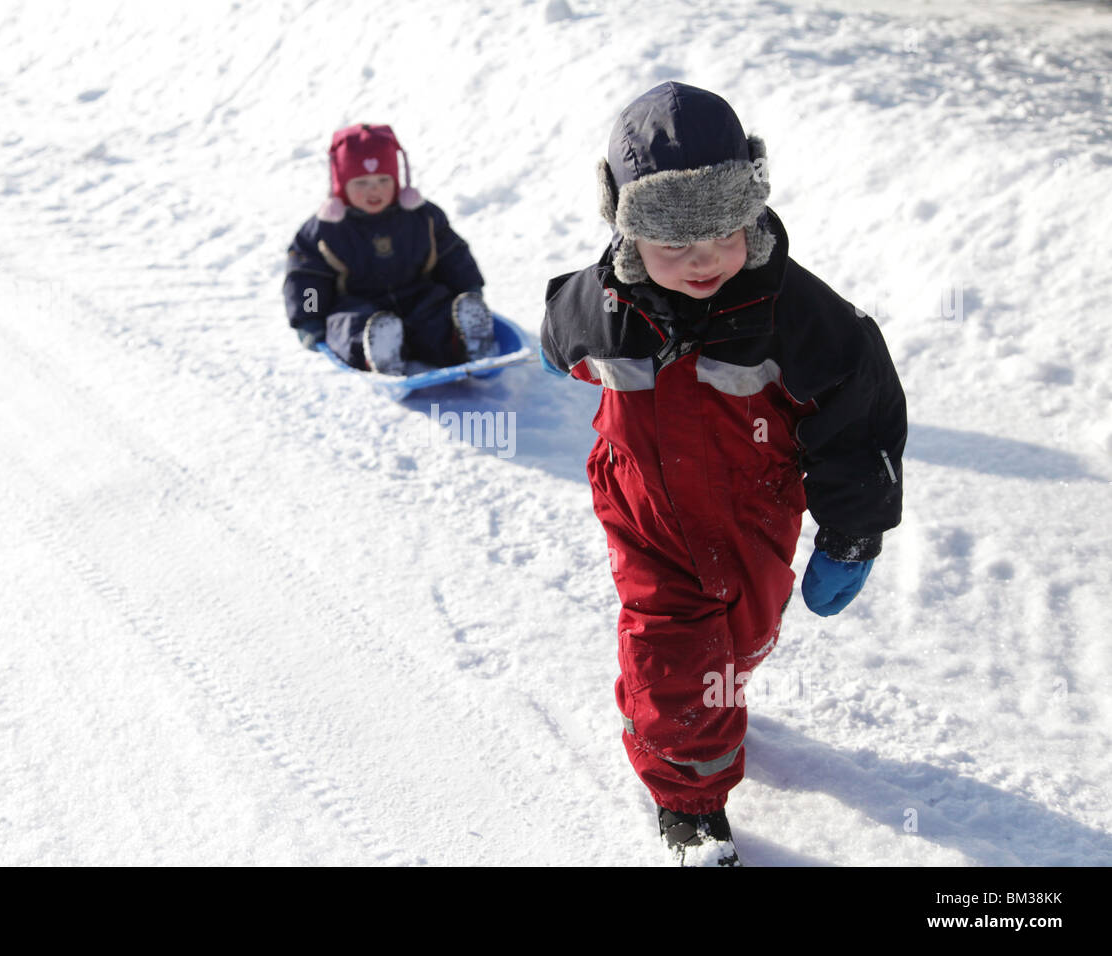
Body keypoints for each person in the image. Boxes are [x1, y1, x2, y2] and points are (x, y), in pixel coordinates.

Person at [540, 82, 907, 866]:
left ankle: (716, 686)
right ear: (629, 231)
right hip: (645, 514)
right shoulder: (604, 306)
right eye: (675, 244)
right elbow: (557, 338)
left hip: (755, 514)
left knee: (743, 637)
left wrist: (853, 527)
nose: (705, 260)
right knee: (673, 653)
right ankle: (690, 804)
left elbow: (858, 415)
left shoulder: (794, 313)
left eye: (723, 233)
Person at [284, 123, 494, 375]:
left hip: (417, 295)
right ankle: (378, 356)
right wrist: (309, 318)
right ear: (340, 185)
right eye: (361, 182)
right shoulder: (324, 229)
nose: (374, 189)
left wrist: (468, 287)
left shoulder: (421, 216)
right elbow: (308, 278)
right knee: (346, 326)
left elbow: (453, 254)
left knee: (438, 313)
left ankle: (466, 342)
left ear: (398, 180)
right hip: (357, 304)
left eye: (384, 179)